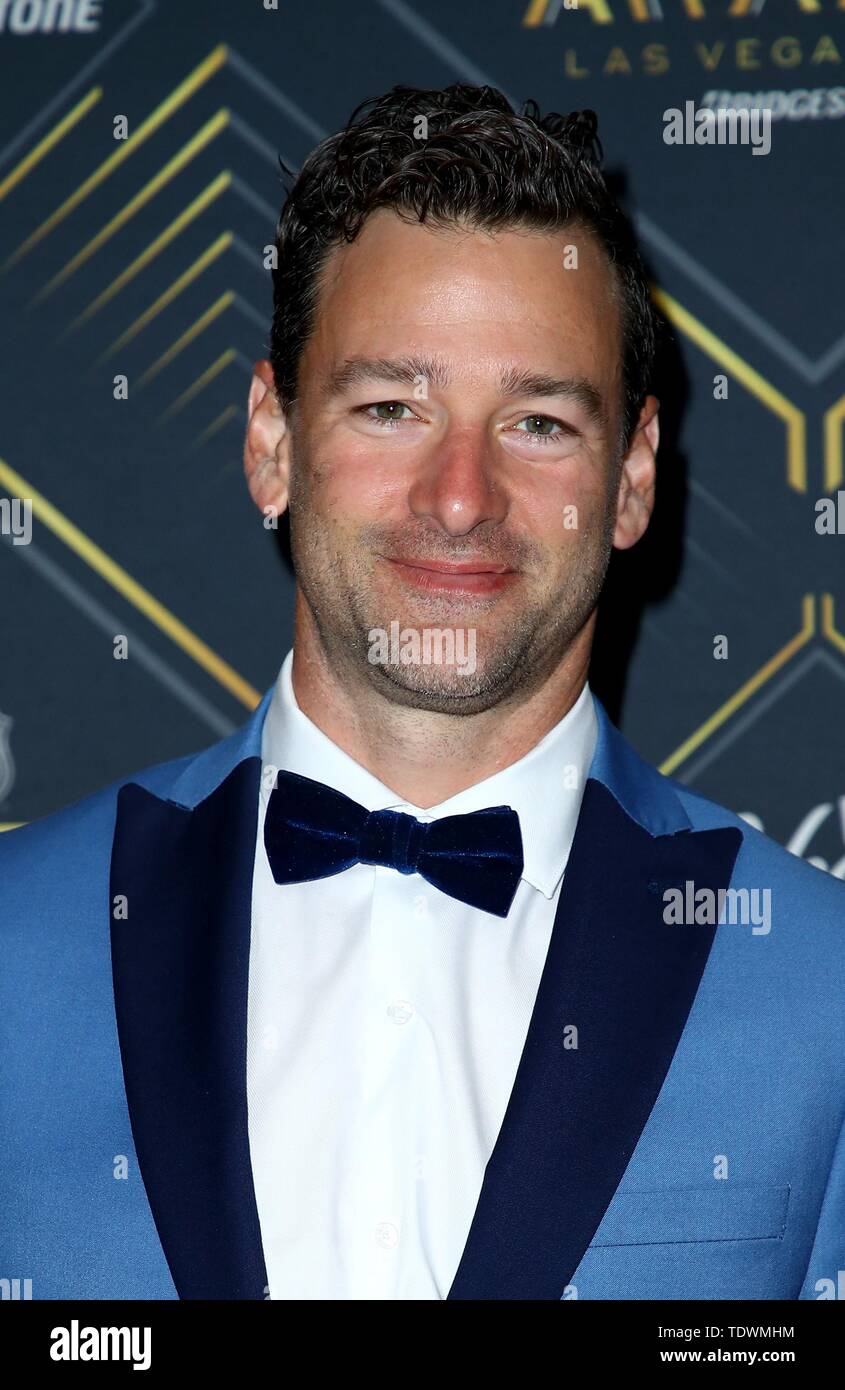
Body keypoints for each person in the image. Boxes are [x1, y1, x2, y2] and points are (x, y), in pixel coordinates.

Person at [2, 84, 843, 1302]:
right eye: (391, 407)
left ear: (632, 477)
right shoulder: (20, 946)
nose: (459, 496)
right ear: (271, 440)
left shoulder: (819, 985)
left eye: (539, 421)